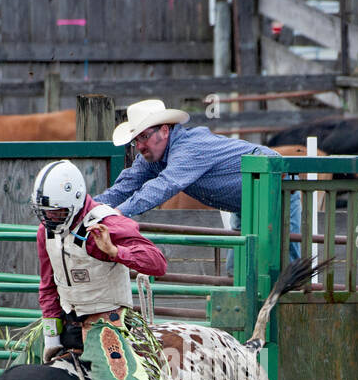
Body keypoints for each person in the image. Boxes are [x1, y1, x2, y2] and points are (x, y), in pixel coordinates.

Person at [32, 159, 203, 380]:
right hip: (68, 322)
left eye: (56, 212)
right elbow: (49, 285)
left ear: (76, 201)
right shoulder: (46, 232)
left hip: (109, 323)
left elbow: (157, 261)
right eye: (44, 213)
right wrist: (51, 335)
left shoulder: (107, 224)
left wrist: (115, 253)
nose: (49, 220)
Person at [97, 99, 303, 264]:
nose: (140, 146)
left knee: (284, 265)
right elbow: (123, 187)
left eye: (144, 136)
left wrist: (119, 212)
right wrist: (91, 208)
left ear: (165, 130)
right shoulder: (152, 157)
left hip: (273, 189)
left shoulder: (190, 148)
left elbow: (166, 184)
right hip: (246, 201)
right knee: (239, 268)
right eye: (136, 140)